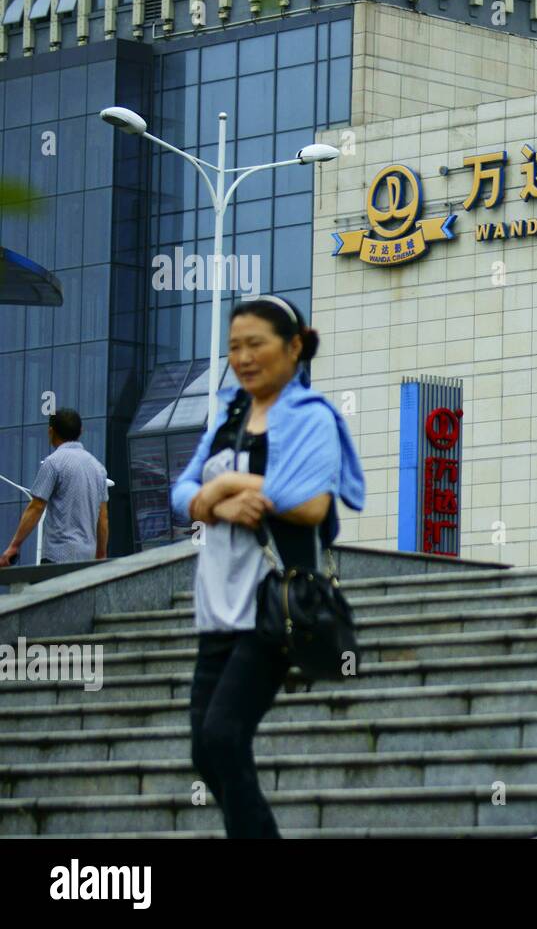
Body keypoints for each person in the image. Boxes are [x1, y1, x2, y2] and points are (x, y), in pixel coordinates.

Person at [170, 295, 365, 838]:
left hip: (272, 605)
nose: (244, 357)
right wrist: (219, 500)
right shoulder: (230, 413)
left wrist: (230, 482)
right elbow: (181, 489)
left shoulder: (311, 417)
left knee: (226, 736)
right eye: (235, 347)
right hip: (216, 605)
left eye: (256, 344)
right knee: (207, 752)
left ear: (294, 346)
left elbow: (313, 504)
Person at [0, 409, 109, 567]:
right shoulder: (98, 468)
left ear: (51, 432)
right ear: (81, 431)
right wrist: (101, 554)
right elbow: (103, 517)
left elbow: (36, 507)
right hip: (88, 558)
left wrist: (14, 546)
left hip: (57, 557)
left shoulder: (53, 463)